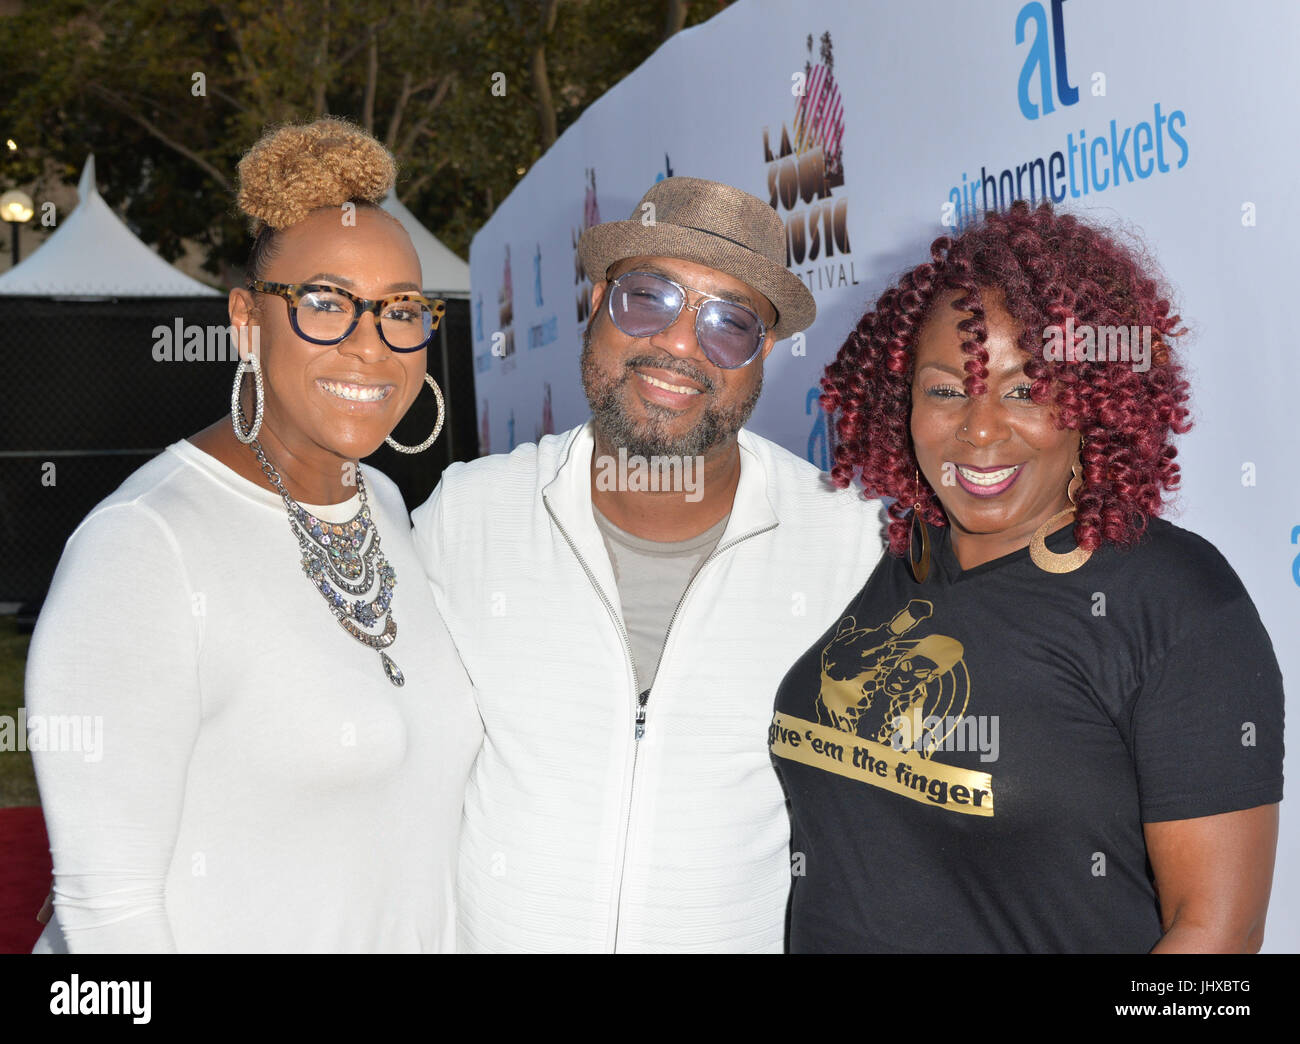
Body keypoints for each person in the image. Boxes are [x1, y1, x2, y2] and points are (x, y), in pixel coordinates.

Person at [770, 200, 1284, 953]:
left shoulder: (1173, 602)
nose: (980, 430)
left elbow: (1219, 935)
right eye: (945, 390)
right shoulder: (878, 558)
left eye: (1026, 390)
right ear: (900, 401)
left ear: (1094, 402)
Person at [28, 118, 481, 952]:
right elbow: (107, 914)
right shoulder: (144, 547)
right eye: (324, 303)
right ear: (245, 318)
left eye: (400, 311)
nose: (370, 346)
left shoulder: (381, 502)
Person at [411, 176, 886, 952]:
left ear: (762, 354)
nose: (678, 343)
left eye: (729, 323)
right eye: (648, 299)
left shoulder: (850, 546)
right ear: (595, 302)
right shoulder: (466, 518)